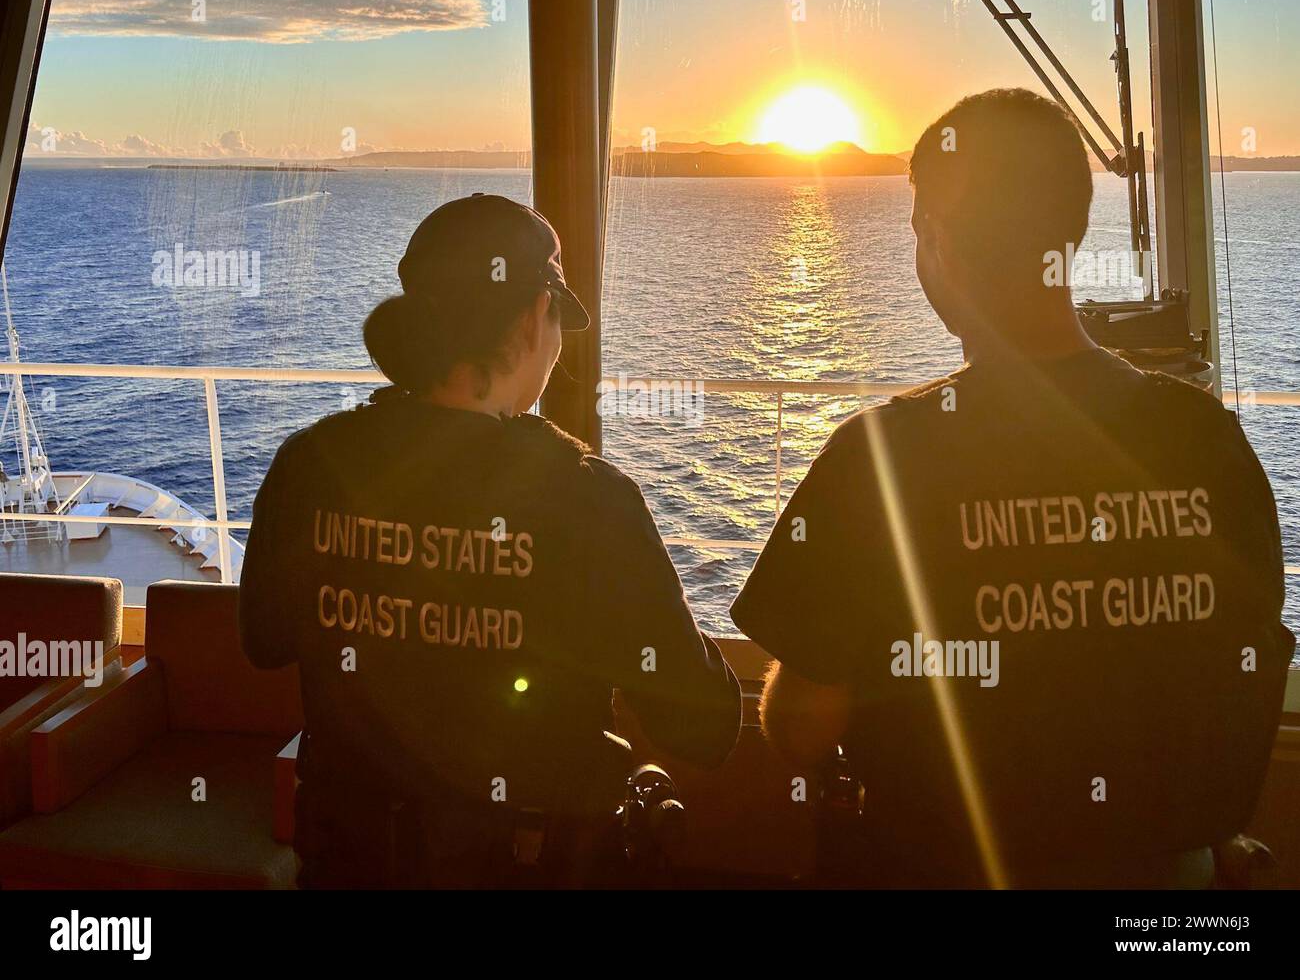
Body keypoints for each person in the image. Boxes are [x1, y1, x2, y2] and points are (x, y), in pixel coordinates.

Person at [731, 88, 1295, 889]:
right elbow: (1244, 665)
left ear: (939, 241)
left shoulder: (879, 459)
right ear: (1069, 233)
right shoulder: (1211, 442)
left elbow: (803, 729)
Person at [239, 193, 740, 888]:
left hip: (348, 864)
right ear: (537, 314)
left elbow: (264, 639)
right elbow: (703, 726)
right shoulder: (590, 497)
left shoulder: (308, 463)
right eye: (558, 315)